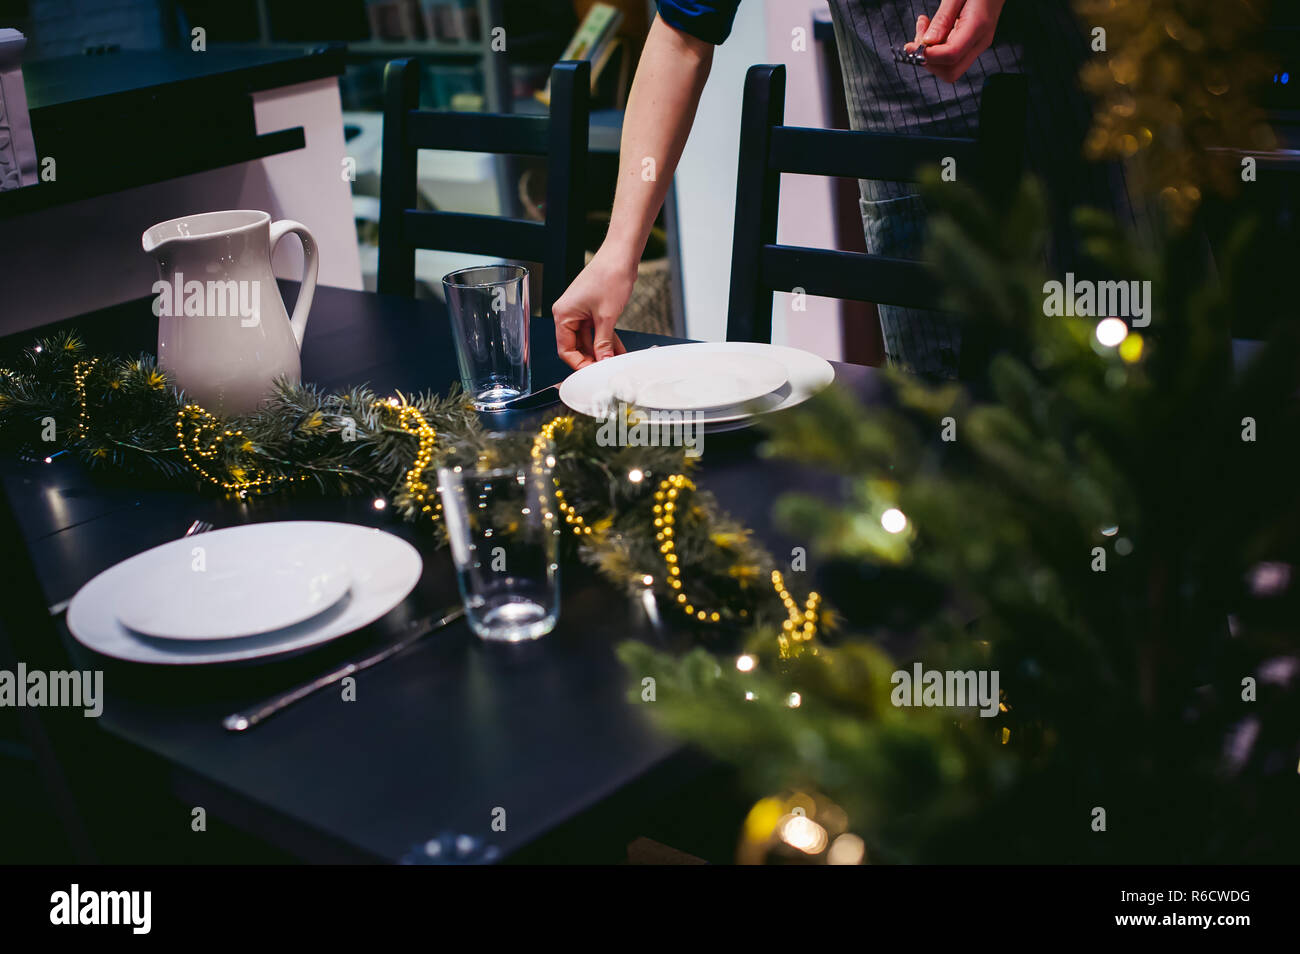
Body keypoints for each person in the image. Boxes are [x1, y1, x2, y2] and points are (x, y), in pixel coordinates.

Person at [552, 1, 1143, 377]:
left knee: (1135, 391)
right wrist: (617, 250)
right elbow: (683, 34)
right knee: (946, 442)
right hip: (913, 150)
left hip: (1084, 115)